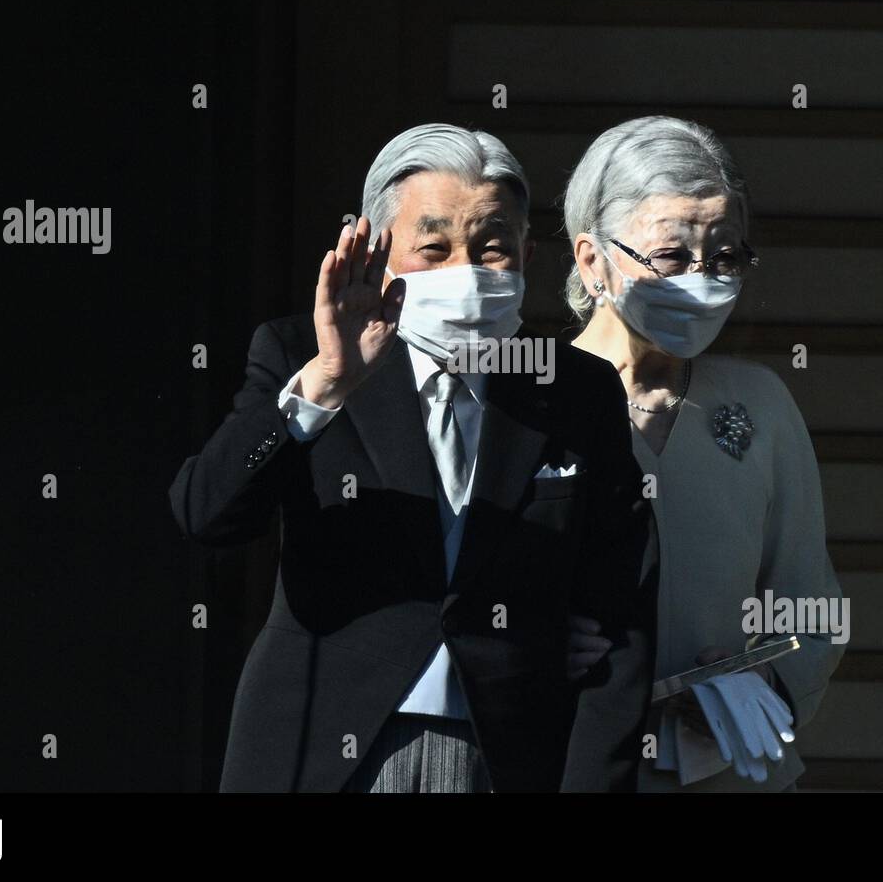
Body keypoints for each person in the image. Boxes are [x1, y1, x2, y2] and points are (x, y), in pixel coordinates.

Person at [169, 123, 656, 792]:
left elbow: (620, 611)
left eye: (492, 248)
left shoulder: (574, 391)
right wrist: (326, 384)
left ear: (527, 256)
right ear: (377, 253)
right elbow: (208, 515)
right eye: (434, 247)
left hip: (504, 753)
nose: (465, 271)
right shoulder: (299, 356)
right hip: (326, 746)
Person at [561, 116, 845, 792]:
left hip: (729, 768)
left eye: (723, 257)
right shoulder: (528, 403)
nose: (703, 279)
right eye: (672, 256)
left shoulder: (761, 403)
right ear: (593, 259)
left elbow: (812, 604)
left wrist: (763, 679)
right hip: (567, 762)